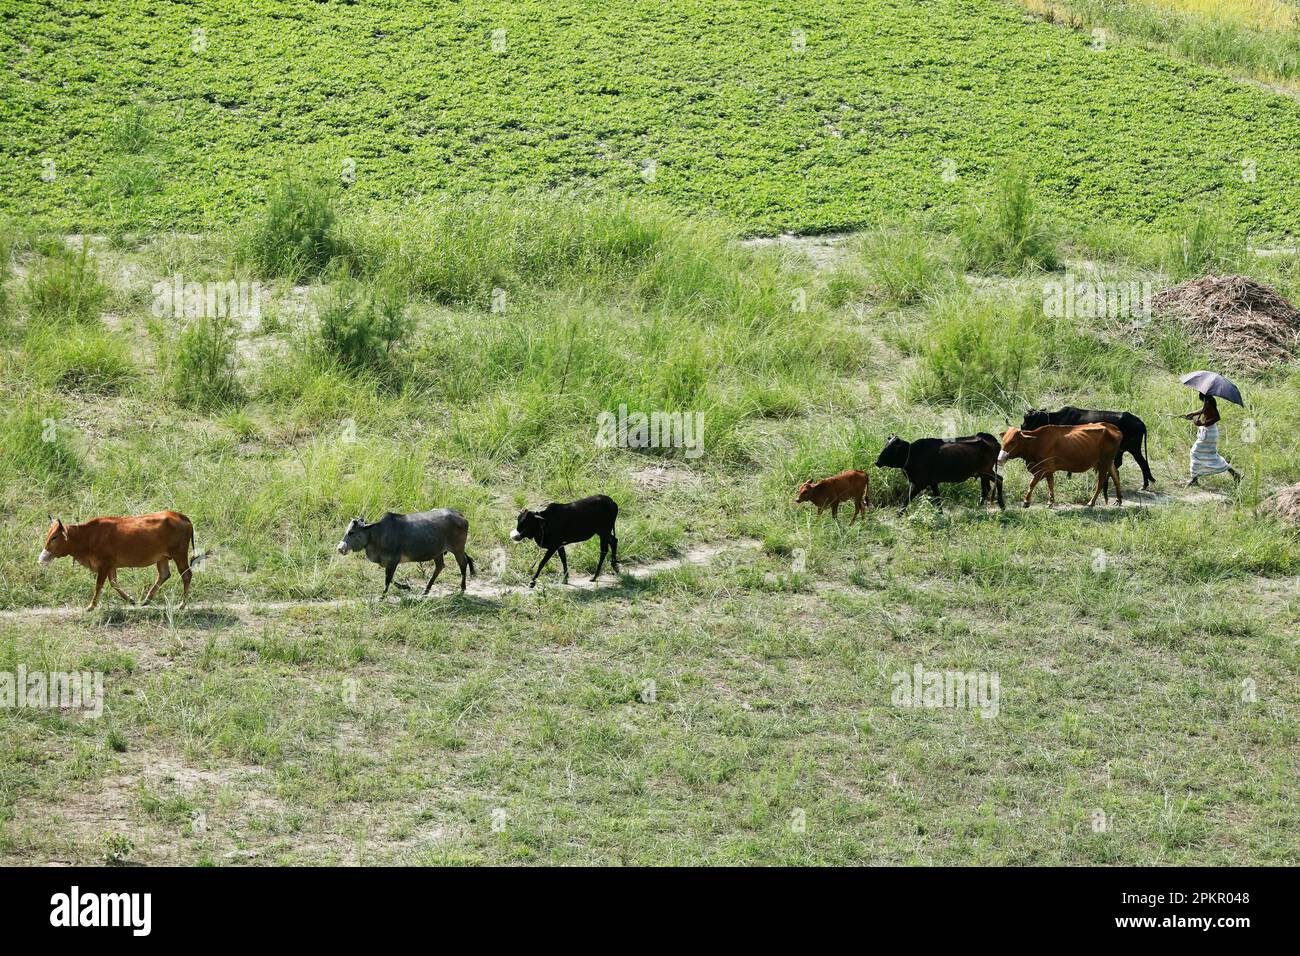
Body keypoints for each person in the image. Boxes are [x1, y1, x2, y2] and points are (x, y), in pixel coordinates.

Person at [1182, 393, 1240, 486]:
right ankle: (1234, 473)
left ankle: (1194, 479)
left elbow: (1217, 417)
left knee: (1195, 452)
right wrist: (1193, 413)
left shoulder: (1209, 402)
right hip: (1208, 432)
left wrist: (1202, 423)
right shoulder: (1208, 401)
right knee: (1208, 454)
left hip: (1209, 433)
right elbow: (1204, 409)